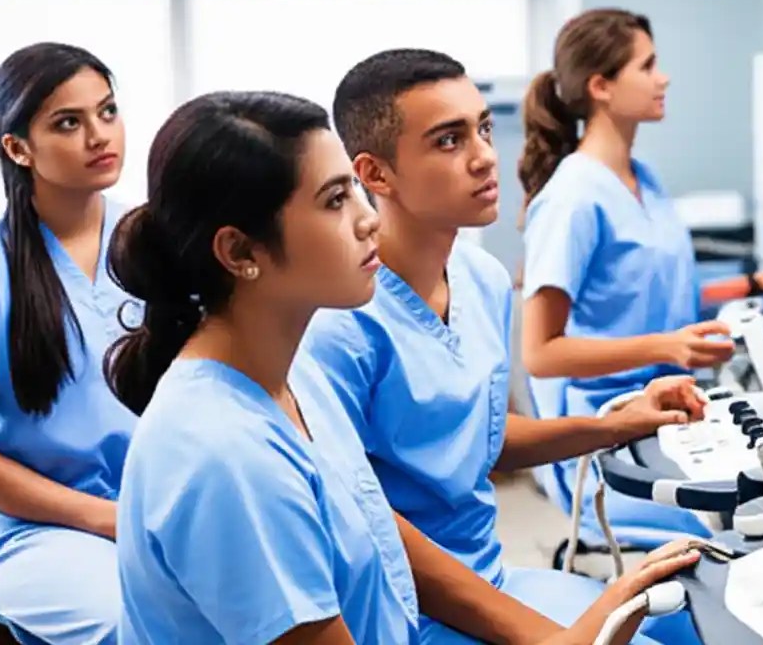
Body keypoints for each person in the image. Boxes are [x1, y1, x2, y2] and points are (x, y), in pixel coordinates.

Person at [109, 89, 699, 645]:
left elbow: (388, 538)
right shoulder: (224, 455)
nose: (368, 220)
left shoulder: (293, 380)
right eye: (335, 200)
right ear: (240, 252)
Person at [299, 48, 707, 645]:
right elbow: (365, 520)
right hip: (403, 612)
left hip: (493, 575)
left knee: (698, 616)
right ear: (375, 174)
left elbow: (478, 440)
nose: (485, 155)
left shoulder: (482, 277)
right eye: (447, 140)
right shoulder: (338, 325)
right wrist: (541, 637)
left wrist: (616, 425)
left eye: (483, 129)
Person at [517, 8, 763, 540]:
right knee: (761, 515)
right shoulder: (572, 200)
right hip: (606, 440)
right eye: (647, 66)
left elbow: (651, 292)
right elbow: (540, 353)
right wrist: (666, 348)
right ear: (601, 86)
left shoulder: (643, 176)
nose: (662, 78)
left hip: (664, 406)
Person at [0, 42, 134, 643]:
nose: (99, 135)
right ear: (17, 148)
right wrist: (105, 518)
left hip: (151, 513)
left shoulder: (154, 244)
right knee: (139, 624)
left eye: (108, 111)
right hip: (31, 530)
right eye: (69, 122)